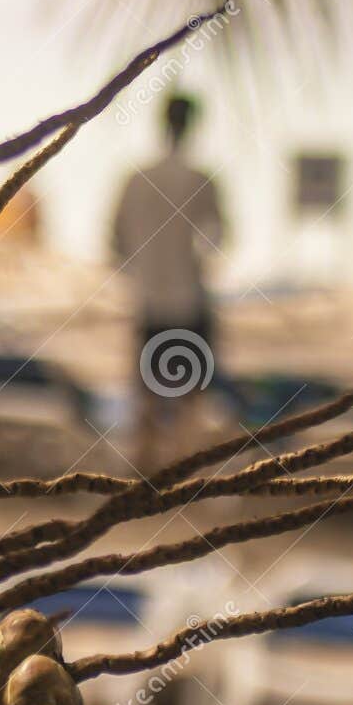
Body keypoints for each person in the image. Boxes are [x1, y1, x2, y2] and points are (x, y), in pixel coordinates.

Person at [110, 94, 225, 471]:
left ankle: (143, 468)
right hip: (189, 299)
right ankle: (181, 466)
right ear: (192, 126)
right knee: (191, 393)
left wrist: (143, 266)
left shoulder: (135, 180)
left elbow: (115, 243)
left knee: (147, 390)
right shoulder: (200, 179)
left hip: (148, 299)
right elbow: (218, 238)